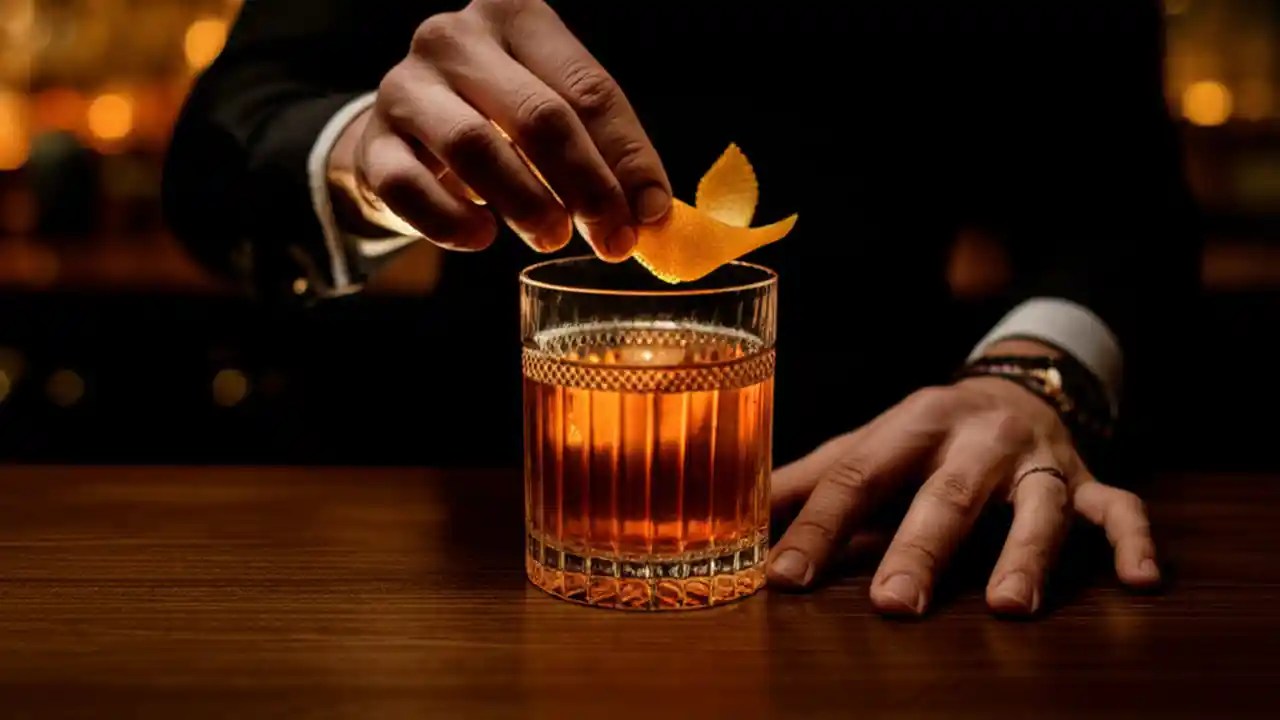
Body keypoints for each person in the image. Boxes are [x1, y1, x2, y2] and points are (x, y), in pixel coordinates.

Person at [164, 0, 1201, 616]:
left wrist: (1028, 377)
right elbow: (223, 144)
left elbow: (1123, 207)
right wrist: (365, 156)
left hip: (892, 545)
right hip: (482, 566)